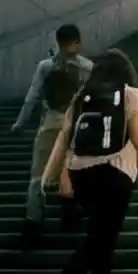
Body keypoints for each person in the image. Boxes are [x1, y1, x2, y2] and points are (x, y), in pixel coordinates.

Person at [32, 49, 138, 274]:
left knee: (101, 232)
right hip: (115, 171)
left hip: (81, 172)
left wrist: (50, 174)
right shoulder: (131, 94)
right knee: (102, 234)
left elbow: (64, 136)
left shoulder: (82, 95)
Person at [12, 24, 94, 250]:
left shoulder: (45, 66)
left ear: (58, 42)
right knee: (75, 169)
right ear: (77, 41)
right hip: (77, 124)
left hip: (51, 123)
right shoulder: (87, 67)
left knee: (38, 174)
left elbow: (32, 96)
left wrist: (20, 123)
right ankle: (70, 211)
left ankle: (33, 223)